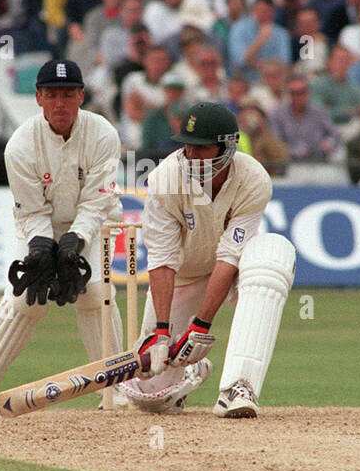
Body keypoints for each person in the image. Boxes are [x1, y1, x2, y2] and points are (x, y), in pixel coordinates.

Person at [0, 60, 124, 411]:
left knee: (94, 291)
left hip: (95, 220)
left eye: (68, 94)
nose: (61, 103)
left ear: (81, 96)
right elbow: (33, 210)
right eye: (52, 95)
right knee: (26, 297)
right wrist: (43, 247)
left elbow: (96, 201)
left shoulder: (103, 134)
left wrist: (75, 241)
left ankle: (114, 389)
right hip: (36, 223)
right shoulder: (21, 145)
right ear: (38, 98)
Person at [116, 102, 296, 418]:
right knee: (150, 397)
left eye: (203, 149)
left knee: (272, 255)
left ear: (227, 146)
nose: (192, 156)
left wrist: (201, 325)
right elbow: (161, 259)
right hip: (184, 275)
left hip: (236, 271)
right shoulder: (165, 179)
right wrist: (161, 331)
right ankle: (191, 373)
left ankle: (239, 387)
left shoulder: (253, 178)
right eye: (188, 148)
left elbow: (229, 256)